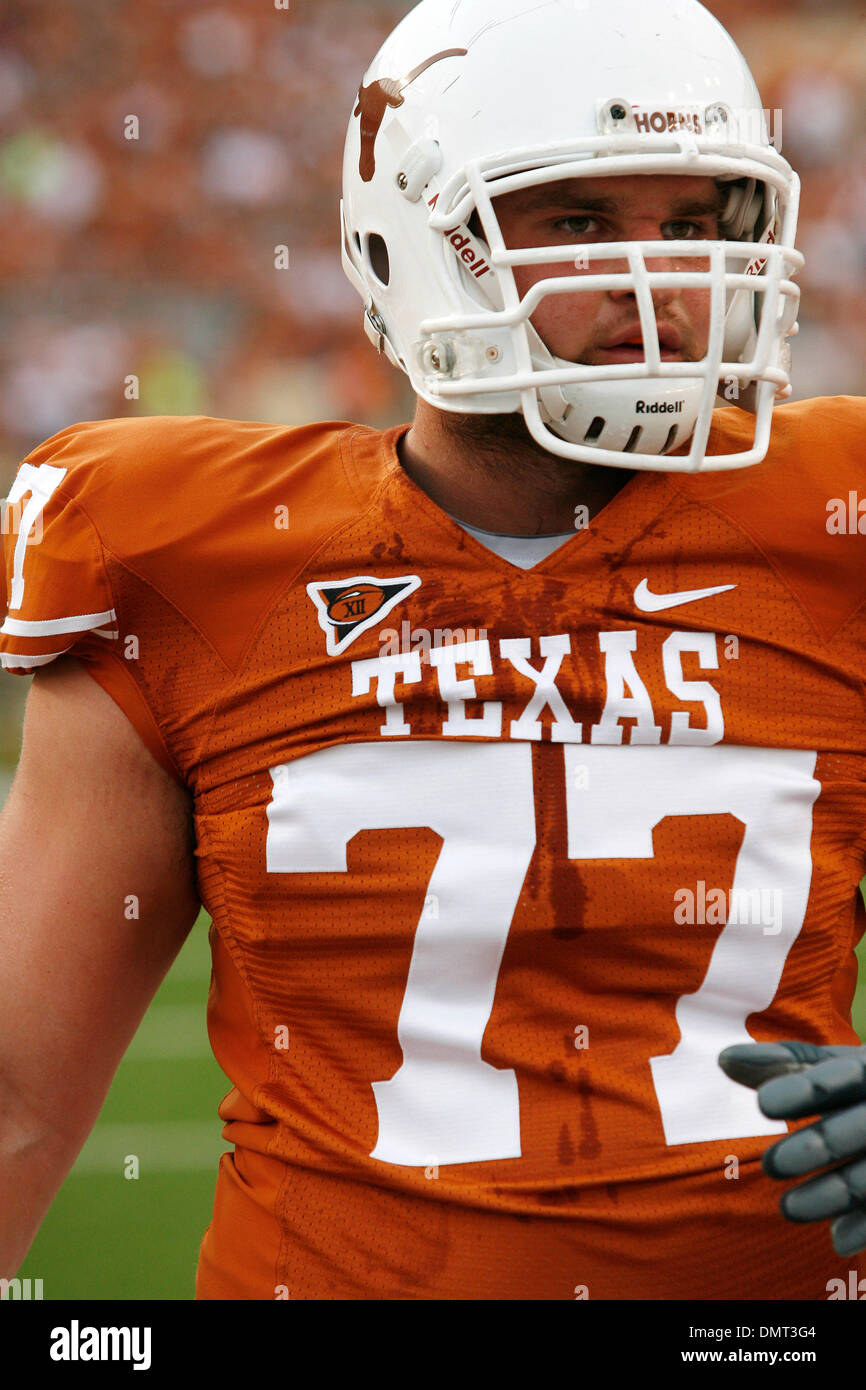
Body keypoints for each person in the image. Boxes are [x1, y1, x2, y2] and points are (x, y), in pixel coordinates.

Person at [0, 0, 864, 1300]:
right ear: (414, 240)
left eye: (694, 223)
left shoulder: (836, 522)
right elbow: (18, 1087)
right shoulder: (188, 556)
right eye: (576, 222)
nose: (658, 280)